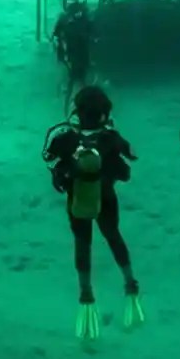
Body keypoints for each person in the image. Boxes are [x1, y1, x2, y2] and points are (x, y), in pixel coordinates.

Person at [42, 85, 143, 340]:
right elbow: (130, 161)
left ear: (78, 110)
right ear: (104, 112)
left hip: (78, 199)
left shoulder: (65, 137)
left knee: (82, 242)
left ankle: (85, 290)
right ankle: (130, 281)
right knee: (113, 236)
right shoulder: (111, 138)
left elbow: (48, 157)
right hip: (107, 197)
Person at [51, 0, 95, 114]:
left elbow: (56, 35)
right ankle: (78, 106)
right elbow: (92, 35)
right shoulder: (81, 20)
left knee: (75, 80)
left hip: (75, 56)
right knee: (79, 81)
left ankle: (68, 107)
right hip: (78, 56)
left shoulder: (67, 20)